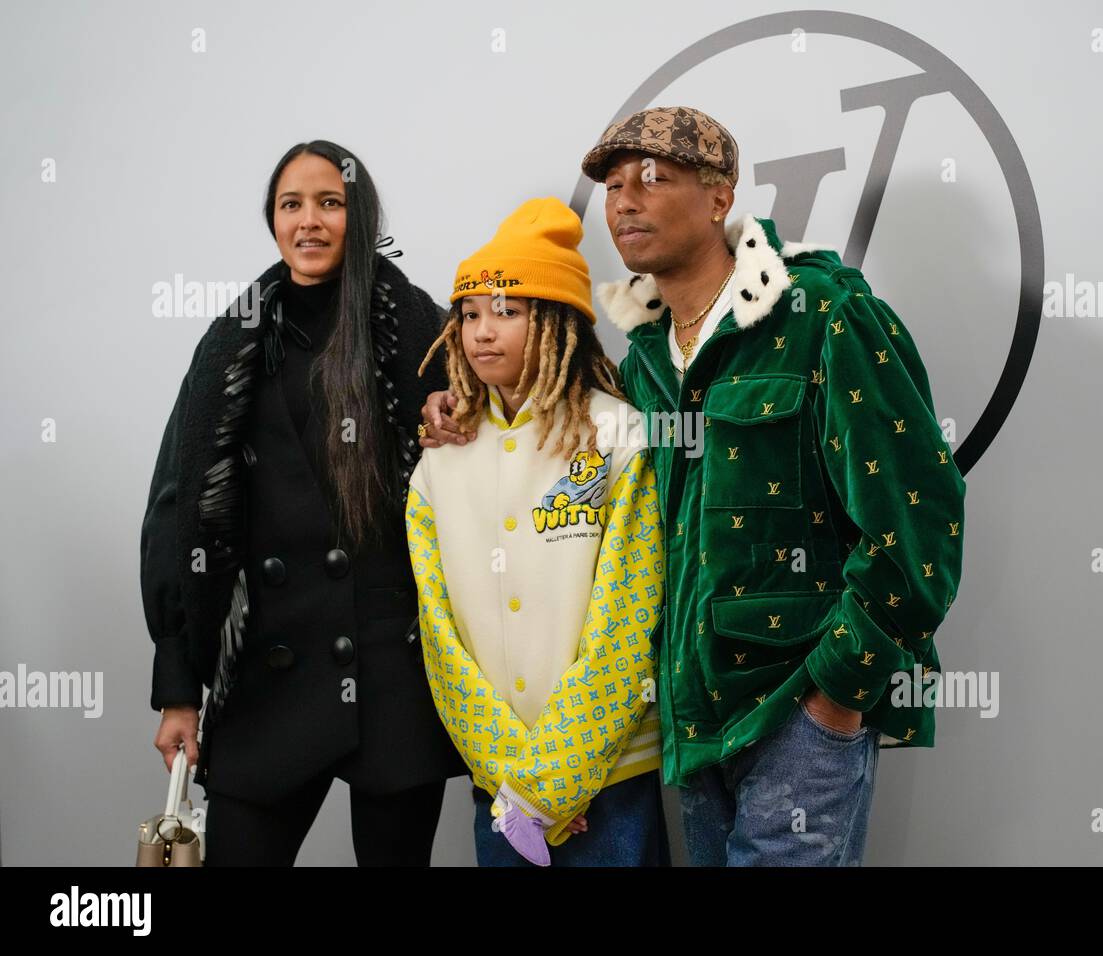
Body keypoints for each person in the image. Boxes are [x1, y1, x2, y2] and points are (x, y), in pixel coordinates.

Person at [422, 107, 968, 866]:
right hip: (693, 720)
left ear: (720, 197)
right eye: (613, 186)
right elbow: (555, 427)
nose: (624, 201)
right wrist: (462, 406)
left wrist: (837, 693)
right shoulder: (643, 361)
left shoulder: (823, 314)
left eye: (651, 179)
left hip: (798, 709)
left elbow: (919, 520)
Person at [141, 140, 465, 866]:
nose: (309, 220)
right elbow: (176, 508)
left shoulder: (426, 332)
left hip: (394, 673)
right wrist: (179, 689)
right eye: (291, 204)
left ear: (362, 216)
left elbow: (497, 453)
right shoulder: (229, 344)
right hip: (268, 675)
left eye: (330, 203)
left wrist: (456, 413)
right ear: (274, 220)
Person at [406, 197, 669, 866]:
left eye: (507, 311)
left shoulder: (617, 434)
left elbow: (628, 620)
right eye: (469, 314)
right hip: (499, 781)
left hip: (609, 779)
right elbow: (441, 638)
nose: (482, 332)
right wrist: (516, 778)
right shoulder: (439, 459)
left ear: (555, 320)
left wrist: (555, 779)